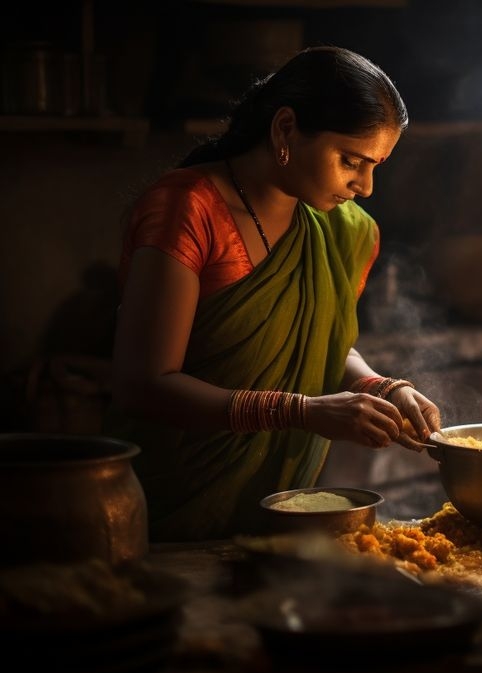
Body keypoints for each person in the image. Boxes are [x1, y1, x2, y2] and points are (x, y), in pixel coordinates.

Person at [105, 46, 441, 542]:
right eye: (351, 160)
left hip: (278, 515)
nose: (366, 186)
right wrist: (301, 411)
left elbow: (326, 345)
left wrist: (382, 388)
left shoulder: (345, 229)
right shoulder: (189, 210)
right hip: (169, 507)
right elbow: (143, 384)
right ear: (285, 129)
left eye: (376, 166)